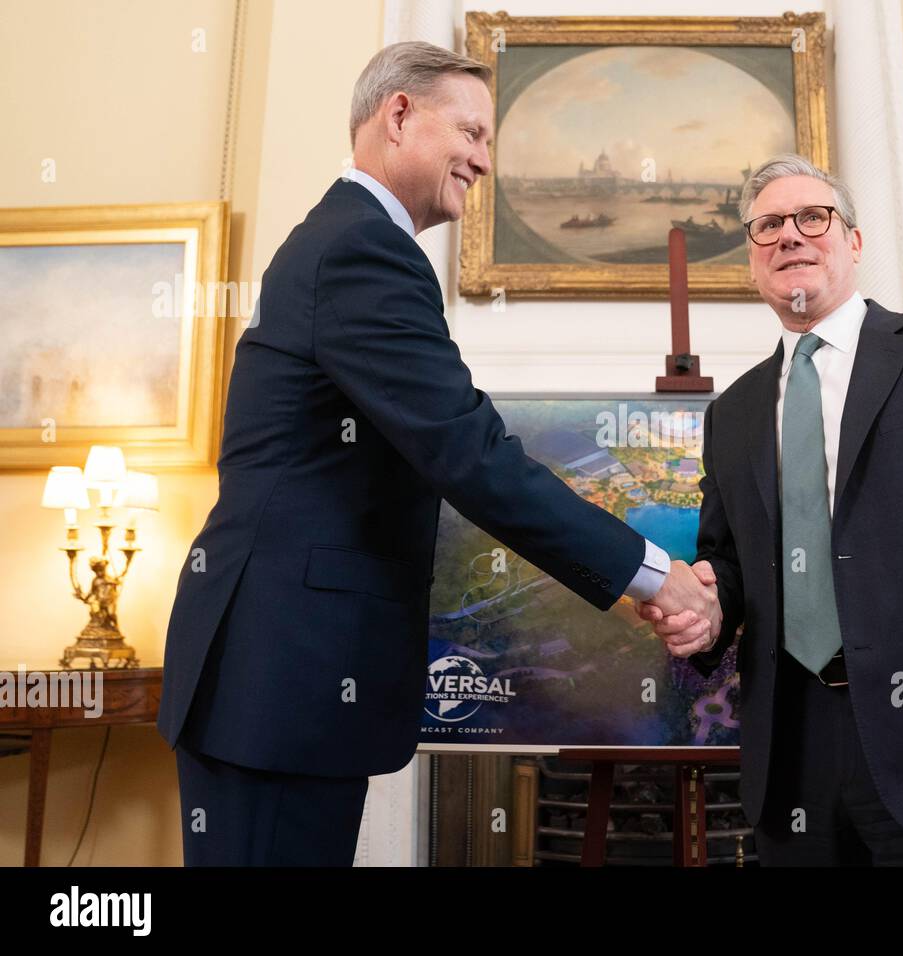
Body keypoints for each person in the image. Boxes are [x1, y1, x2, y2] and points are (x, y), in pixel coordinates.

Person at [156, 42, 715, 866]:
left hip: (282, 682)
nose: (485, 160)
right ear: (399, 115)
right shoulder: (361, 250)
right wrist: (654, 572)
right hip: (278, 685)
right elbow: (470, 455)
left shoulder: (352, 243)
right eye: (473, 132)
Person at [641, 154, 903, 865]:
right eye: (768, 224)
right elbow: (734, 567)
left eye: (813, 217)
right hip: (794, 757)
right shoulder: (734, 412)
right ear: (751, 258)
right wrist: (704, 608)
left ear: (855, 242)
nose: (790, 235)